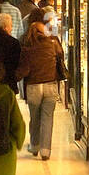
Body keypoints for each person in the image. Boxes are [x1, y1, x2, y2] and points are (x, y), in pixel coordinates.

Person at [16, 16, 67, 160]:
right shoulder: (52, 43)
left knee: (35, 117)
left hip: (33, 86)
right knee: (48, 118)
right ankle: (45, 151)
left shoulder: (28, 48)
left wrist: (12, 78)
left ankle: (34, 145)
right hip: (50, 84)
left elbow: (23, 70)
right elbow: (60, 58)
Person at [0, 12, 21, 93]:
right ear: (5, 27)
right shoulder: (14, 42)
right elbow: (16, 65)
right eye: (11, 26)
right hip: (8, 85)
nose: (11, 28)